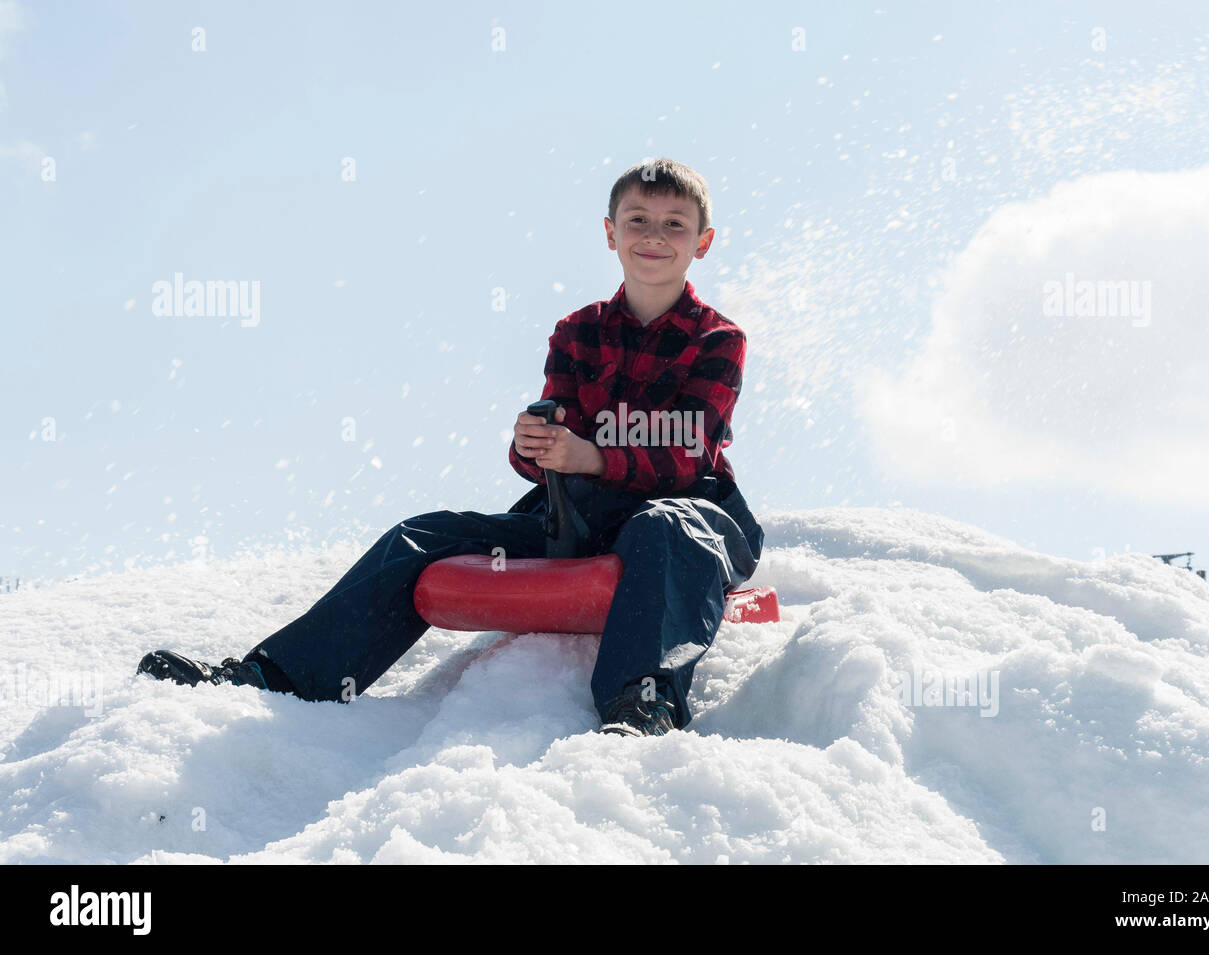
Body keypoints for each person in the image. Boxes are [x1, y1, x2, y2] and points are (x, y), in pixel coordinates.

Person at [138, 157, 764, 737]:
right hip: (582, 514)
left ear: (701, 242)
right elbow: (551, 451)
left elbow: (688, 450)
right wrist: (536, 447)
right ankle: (275, 678)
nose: (654, 235)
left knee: (662, 530)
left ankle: (641, 702)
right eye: (638, 220)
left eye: (674, 224)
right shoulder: (578, 331)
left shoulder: (717, 338)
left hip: (689, 515)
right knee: (420, 535)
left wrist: (593, 457)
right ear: (610, 232)